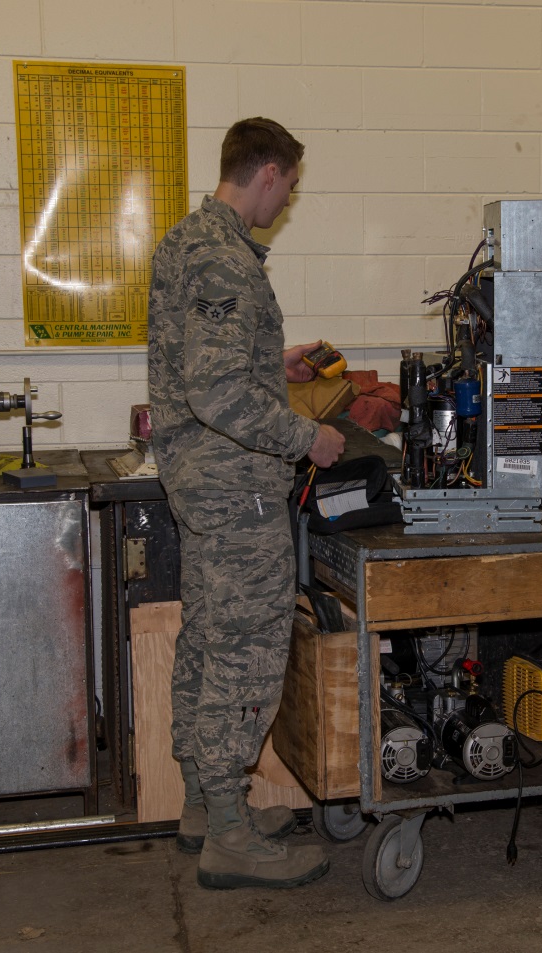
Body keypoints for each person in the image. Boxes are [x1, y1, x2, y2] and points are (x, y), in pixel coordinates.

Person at [146, 117, 345, 889]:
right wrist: (306, 436)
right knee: (246, 648)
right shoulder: (224, 258)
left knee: (207, 637)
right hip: (236, 491)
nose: (287, 199)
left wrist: (276, 361)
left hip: (202, 485)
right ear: (266, 172)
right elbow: (215, 388)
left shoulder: (187, 241)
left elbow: (213, 364)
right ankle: (230, 830)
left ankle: (203, 805)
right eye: (289, 185)